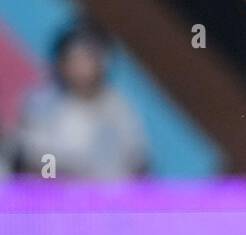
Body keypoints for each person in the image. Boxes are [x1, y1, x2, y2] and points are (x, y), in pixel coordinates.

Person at [16, 22, 148, 179]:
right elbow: (35, 163)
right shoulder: (42, 105)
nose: (82, 67)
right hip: (55, 197)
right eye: (75, 59)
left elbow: (139, 163)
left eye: (89, 58)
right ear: (61, 63)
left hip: (110, 200)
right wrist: (64, 179)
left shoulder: (120, 109)